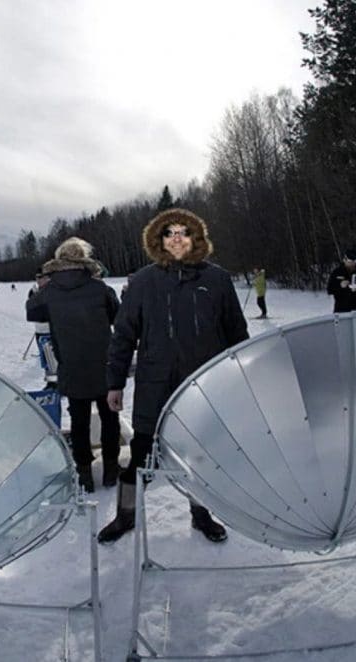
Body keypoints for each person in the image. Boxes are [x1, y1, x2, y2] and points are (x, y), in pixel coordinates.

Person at [99, 208, 249, 545]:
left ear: (196, 238)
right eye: (169, 233)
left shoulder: (217, 280)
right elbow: (123, 335)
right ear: (159, 241)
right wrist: (115, 382)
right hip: (156, 384)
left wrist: (244, 378)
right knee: (140, 456)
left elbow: (237, 334)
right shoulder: (143, 282)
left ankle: (201, 514)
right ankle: (126, 516)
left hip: (205, 386)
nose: (177, 238)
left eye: (184, 232)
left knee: (201, 455)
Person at [27, 238, 121, 493]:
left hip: (70, 364)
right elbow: (117, 315)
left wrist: (42, 288)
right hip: (104, 363)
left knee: (79, 423)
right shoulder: (100, 288)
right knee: (110, 417)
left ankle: (85, 474)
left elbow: (32, 312)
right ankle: (111, 469)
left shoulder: (50, 291)